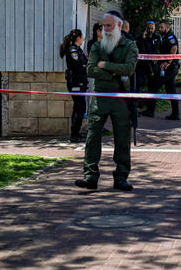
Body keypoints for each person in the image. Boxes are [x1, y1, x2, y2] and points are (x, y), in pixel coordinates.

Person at [75, 11, 138, 192]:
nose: (106, 29)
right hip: (100, 96)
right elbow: (90, 70)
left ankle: (121, 177)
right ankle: (90, 176)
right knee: (93, 136)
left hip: (120, 98)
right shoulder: (97, 46)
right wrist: (114, 73)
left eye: (109, 26)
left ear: (119, 25)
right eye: (104, 26)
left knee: (122, 138)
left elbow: (129, 68)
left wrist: (105, 65)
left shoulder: (129, 46)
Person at [59, 29, 87, 143]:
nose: (83, 39)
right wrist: (88, 68)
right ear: (78, 38)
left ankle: (76, 133)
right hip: (76, 83)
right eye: (82, 37)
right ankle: (74, 135)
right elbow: (78, 66)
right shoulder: (73, 51)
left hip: (80, 82)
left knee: (79, 108)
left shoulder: (78, 50)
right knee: (80, 108)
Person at [155, 19, 180, 120]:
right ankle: (175, 114)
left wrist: (168, 62)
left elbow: (174, 48)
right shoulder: (164, 37)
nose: (160, 29)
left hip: (171, 67)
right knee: (170, 89)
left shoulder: (170, 36)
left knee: (155, 84)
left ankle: (150, 110)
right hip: (167, 67)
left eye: (162, 27)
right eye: (159, 27)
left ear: (167, 27)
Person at [136, 21, 161, 115]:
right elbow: (138, 48)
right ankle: (134, 108)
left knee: (152, 87)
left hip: (152, 66)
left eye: (152, 28)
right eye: (149, 28)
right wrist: (143, 39)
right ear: (146, 28)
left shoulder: (157, 38)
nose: (150, 30)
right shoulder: (141, 37)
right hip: (142, 65)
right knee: (137, 84)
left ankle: (150, 110)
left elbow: (153, 50)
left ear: (154, 28)